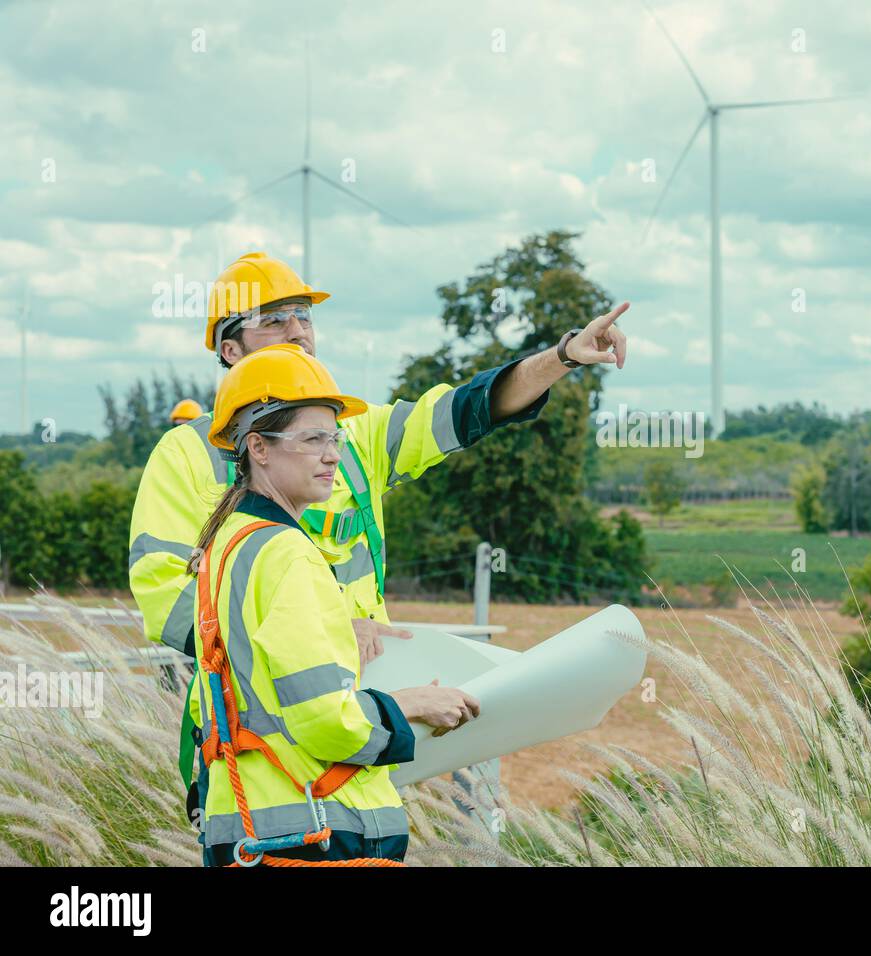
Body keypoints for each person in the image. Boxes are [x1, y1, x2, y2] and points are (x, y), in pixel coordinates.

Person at [127, 251, 630, 805]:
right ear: (230, 349)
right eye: (273, 320)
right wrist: (332, 635)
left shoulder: (355, 432)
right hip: (257, 743)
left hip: (370, 725)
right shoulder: (185, 455)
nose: (297, 332)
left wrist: (562, 356)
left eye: (303, 315)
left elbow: (465, 409)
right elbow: (166, 601)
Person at [190, 343, 480, 866]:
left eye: (335, 437)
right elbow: (325, 722)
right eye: (313, 439)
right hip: (317, 830)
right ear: (258, 447)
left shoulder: (229, 543)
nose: (333, 454)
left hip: (252, 826)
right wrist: (411, 703)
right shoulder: (287, 554)